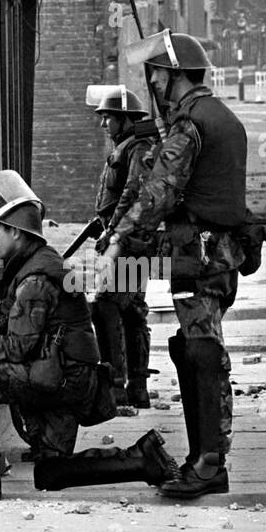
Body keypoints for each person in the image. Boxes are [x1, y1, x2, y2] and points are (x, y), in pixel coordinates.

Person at [0, 170, 178, 499]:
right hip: (68, 376)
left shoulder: (35, 279)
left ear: (16, 233)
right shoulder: (39, 264)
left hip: (60, 380)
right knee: (51, 471)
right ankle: (143, 459)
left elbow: (18, 348)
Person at [101, 31, 248, 500]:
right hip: (219, 253)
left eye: (158, 74)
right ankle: (203, 458)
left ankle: (209, 463)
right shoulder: (220, 117)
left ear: (176, 74)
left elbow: (160, 192)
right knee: (194, 348)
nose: (155, 83)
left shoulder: (190, 125)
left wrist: (120, 237)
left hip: (199, 257)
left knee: (202, 354)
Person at [89, 87, 158, 408]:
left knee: (104, 306)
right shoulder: (129, 146)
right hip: (127, 241)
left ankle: (116, 385)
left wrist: (113, 232)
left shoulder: (139, 147)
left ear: (126, 118)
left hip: (128, 244)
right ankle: (137, 389)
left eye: (108, 117)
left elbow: (132, 193)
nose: (104, 124)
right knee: (130, 311)